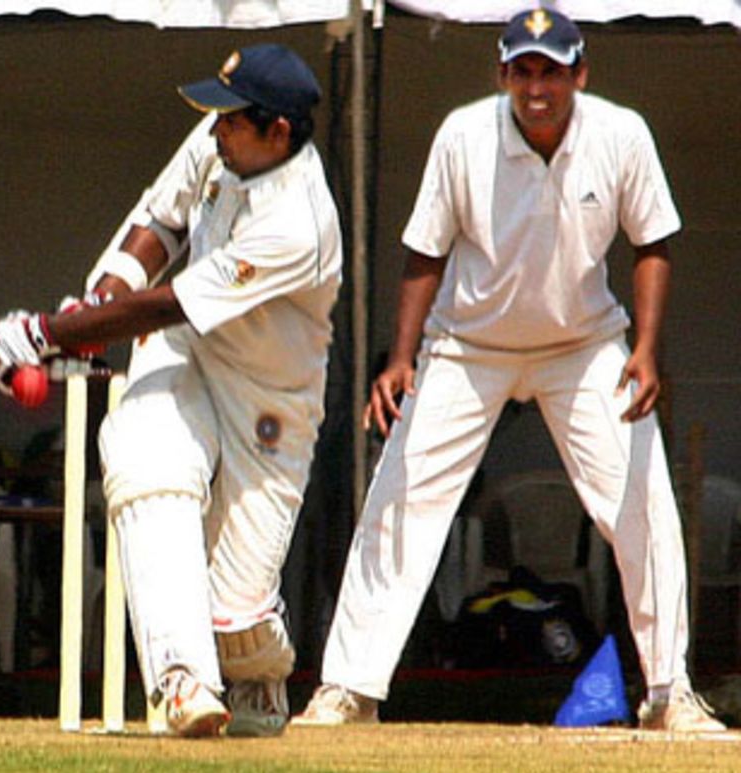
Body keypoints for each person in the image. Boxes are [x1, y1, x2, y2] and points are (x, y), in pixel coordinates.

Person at [294, 8, 724, 733]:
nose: (537, 87)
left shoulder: (620, 134)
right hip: (466, 346)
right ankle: (348, 687)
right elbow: (425, 252)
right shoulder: (465, 134)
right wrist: (400, 359)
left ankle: (667, 691)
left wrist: (647, 350)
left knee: (643, 499)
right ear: (502, 74)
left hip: (583, 345)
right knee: (400, 499)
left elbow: (653, 242)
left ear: (579, 74)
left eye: (551, 71)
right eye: (523, 70)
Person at [0, 43, 342, 737]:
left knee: (235, 616)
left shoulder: (300, 222)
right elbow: (162, 219)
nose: (216, 128)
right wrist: (96, 302)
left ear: (279, 133)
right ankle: (182, 680)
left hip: (270, 398)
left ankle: (256, 671)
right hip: (187, 350)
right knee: (142, 455)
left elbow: (172, 300)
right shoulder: (224, 137)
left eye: (233, 120)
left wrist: (50, 330)